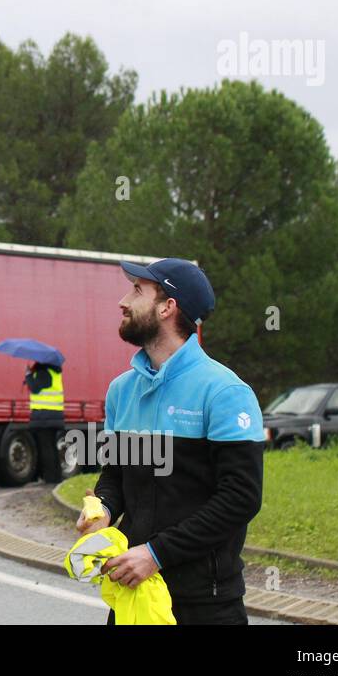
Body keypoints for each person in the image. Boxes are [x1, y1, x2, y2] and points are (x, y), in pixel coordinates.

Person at [75, 258, 263, 625]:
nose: (122, 301)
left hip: (206, 604)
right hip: (133, 594)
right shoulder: (120, 391)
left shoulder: (225, 392)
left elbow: (241, 498)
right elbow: (115, 476)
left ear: (167, 307)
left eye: (137, 290)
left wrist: (156, 554)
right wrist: (105, 511)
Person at [25, 360, 65, 483]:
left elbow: (35, 388)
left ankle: (50, 478)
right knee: (51, 447)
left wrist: (28, 375)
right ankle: (55, 477)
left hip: (44, 416)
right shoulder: (54, 372)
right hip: (53, 415)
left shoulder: (44, 373)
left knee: (46, 448)